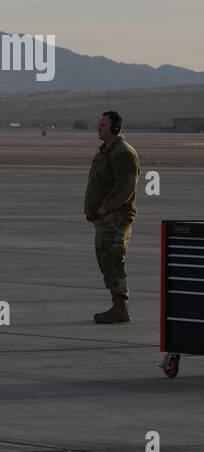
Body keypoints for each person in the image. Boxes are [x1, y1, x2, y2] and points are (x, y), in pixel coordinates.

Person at [84, 110, 139, 323]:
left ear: (116, 128)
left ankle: (120, 307)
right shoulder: (107, 152)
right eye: (99, 125)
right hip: (104, 220)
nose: (99, 128)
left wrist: (105, 208)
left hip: (115, 219)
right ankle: (117, 305)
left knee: (114, 261)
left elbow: (126, 186)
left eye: (103, 125)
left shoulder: (124, 153)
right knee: (106, 261)